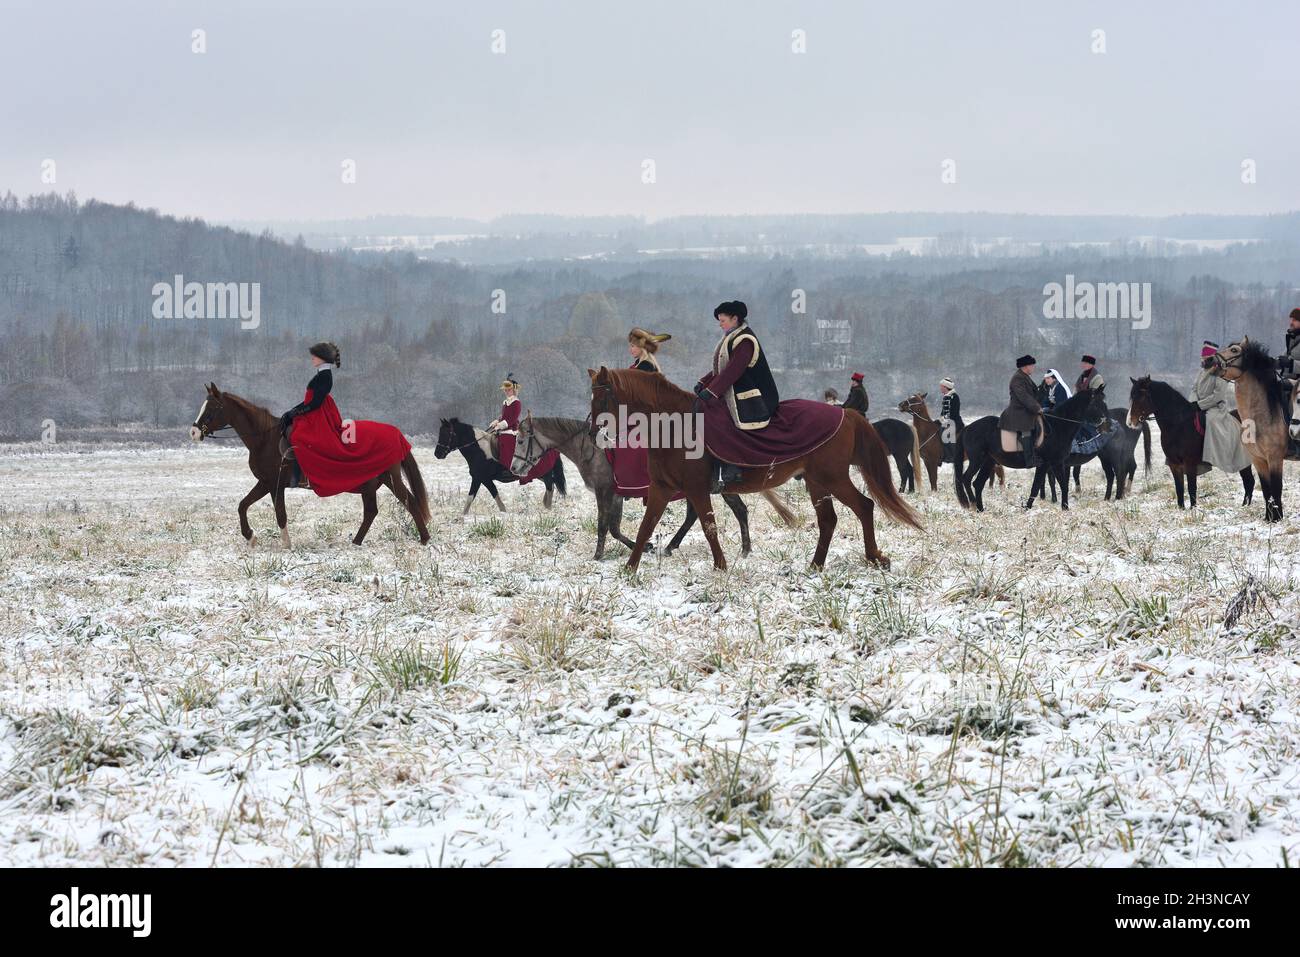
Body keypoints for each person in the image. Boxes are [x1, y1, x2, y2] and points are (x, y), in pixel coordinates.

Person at [695, 300, 780, 492]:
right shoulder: (732, 337)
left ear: (735, 319)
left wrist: (711, 391)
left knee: (720, 419)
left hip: (754, 397)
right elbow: (722, 368)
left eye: (723, 320)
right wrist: (703, 382)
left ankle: (733, 466)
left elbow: (733, 371)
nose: (720, 324)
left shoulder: (745, 340)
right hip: (736, 393)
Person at [279, 341, 341, 489]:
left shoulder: (325, 376)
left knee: (299, 437)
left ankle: (301, 477)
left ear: (323, 358)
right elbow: (309, 400)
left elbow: (316, 403)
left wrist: (296, 412)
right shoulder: (321, 374)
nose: (312, 358)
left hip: (318, 414)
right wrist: (293, 410)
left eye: (314, 356)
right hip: (313, 410)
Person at [1193, 340, 1250, 475]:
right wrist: (1192, 403)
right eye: (1203, 358)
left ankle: (1212, 454)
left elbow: (1217, 396)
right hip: (1198, 405)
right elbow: (1194, 389)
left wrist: (1200, 405)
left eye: (1206, 358)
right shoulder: (1200, 372)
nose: (1203, 360)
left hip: (1215, 408)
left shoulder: (1220, 373)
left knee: (1212, 420)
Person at [999, 354, 1042, 467]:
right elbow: (1024, 397)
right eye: (1032, 365)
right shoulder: (1017, 379)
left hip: (1026, 410)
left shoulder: (1025, 377)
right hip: (1018, 412)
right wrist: (1037, 407)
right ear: (1026, 366)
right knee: (1026, 431)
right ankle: (1029, 460)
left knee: (1039, 428)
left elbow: (1034, 393)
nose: (1033, 368)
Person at [488, 374, 522, 473]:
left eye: (508, 390)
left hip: (512, 430)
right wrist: (497, 421)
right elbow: (504, 416)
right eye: (505, 390)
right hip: (503, 429)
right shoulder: (505, 402)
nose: (506, 392)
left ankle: (506, 467)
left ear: (514, 390)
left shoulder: (516, 402)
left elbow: (512, 419)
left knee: (505, 440)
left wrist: (500, 425)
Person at [1275, 308, 1300, 402]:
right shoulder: (1293, 341)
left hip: (1297, 383)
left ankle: (1285, 412)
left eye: (1295, 320)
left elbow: (1289, 362)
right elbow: (1284, 360)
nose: (1291, 323)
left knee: (1279, 386)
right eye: (1291, 320)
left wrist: (1291, 364)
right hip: (1289, 380)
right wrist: (1270, 362)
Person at [938, 376, 962, 461]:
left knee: (945, 434)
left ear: (945, 387)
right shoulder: (946, 397)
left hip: (954, 422)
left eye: (941, 386)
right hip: (946, 421)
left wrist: (945, 420)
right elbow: (943, 412)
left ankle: (952, 455)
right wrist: (940, 418)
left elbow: (954, 412)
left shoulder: (954, 397)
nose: (940, 388)